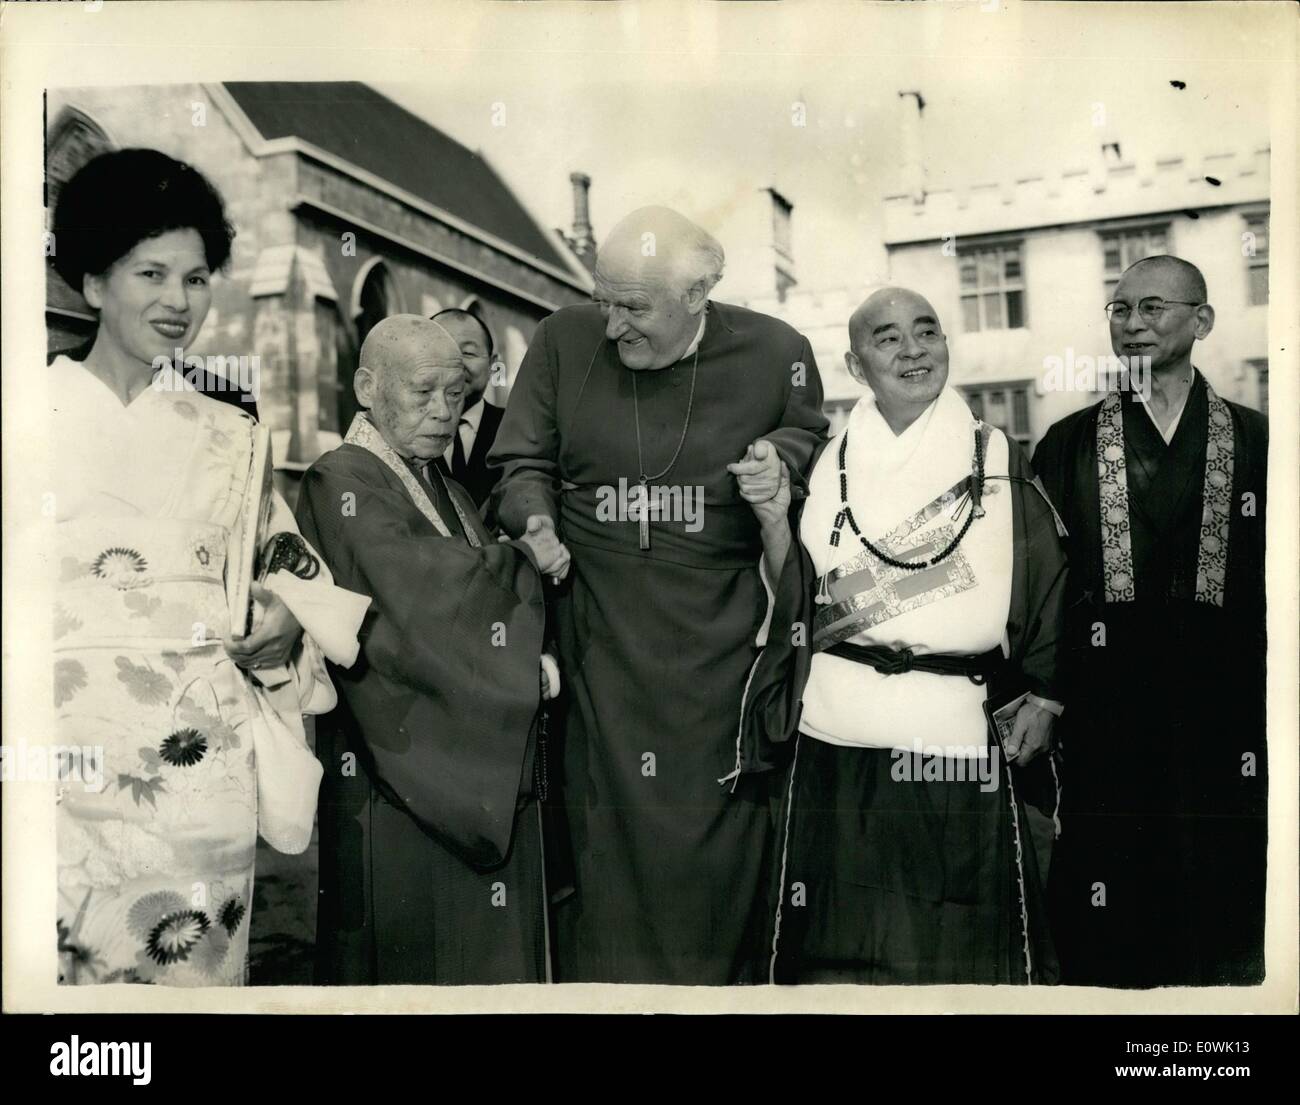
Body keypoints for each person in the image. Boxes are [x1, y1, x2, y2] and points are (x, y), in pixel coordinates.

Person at [488, 205, 829, 983]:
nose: (610, 328)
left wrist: (779, 458)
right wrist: (535, 521)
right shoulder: (561, 341)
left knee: (716, 849)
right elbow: (521, 463)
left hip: (720, 650)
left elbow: (807, 435)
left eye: (634, 308)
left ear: (700, 294)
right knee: (606, 854)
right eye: (604, 301)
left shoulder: (779, 351)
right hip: (599, 638)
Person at [50, 148, 365, 986]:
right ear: (90, 282)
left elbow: (292, 570)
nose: (177, 301)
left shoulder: (232, 435)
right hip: (63, 754)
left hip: (199, 763)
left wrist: (288, 619)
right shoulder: (25, 418)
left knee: (191, 968)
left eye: (195, 279)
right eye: (150, 272)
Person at [735, 287, 1068, 984]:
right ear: (857, 366)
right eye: (888, 339)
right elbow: (800, 591)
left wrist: (1045, 695)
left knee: (956, 940)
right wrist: (772, 519)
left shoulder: (998, 455)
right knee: (840, 938)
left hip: (950, 731)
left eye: (927, 331)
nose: (913, 349)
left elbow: (1050, 586)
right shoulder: (827, 460)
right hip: (836, 729)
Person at [295, 314, 559, 984]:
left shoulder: (449, 490)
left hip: (471, 764)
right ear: (366, 385)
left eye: (457, 394)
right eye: (423, 393)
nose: (446, 413)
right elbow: (418, 598)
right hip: (398, 776)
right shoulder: (340, 480)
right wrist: (522, 561)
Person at [1033, 256, 1268, 987]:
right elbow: (1041, 589)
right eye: (1119, 309)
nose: (1132, 323)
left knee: (1221, 902)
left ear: (1202, 321)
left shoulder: (1261, 443)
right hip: (1106, 718)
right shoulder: (1066, 445)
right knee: (1107, 906)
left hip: (1226, 718)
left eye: (1152, 308)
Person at [430, 308, 506, 511]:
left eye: (468, 352)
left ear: (493, 365)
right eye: (442, 350)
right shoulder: (401, 431)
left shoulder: (515, 428)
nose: (457, 363)